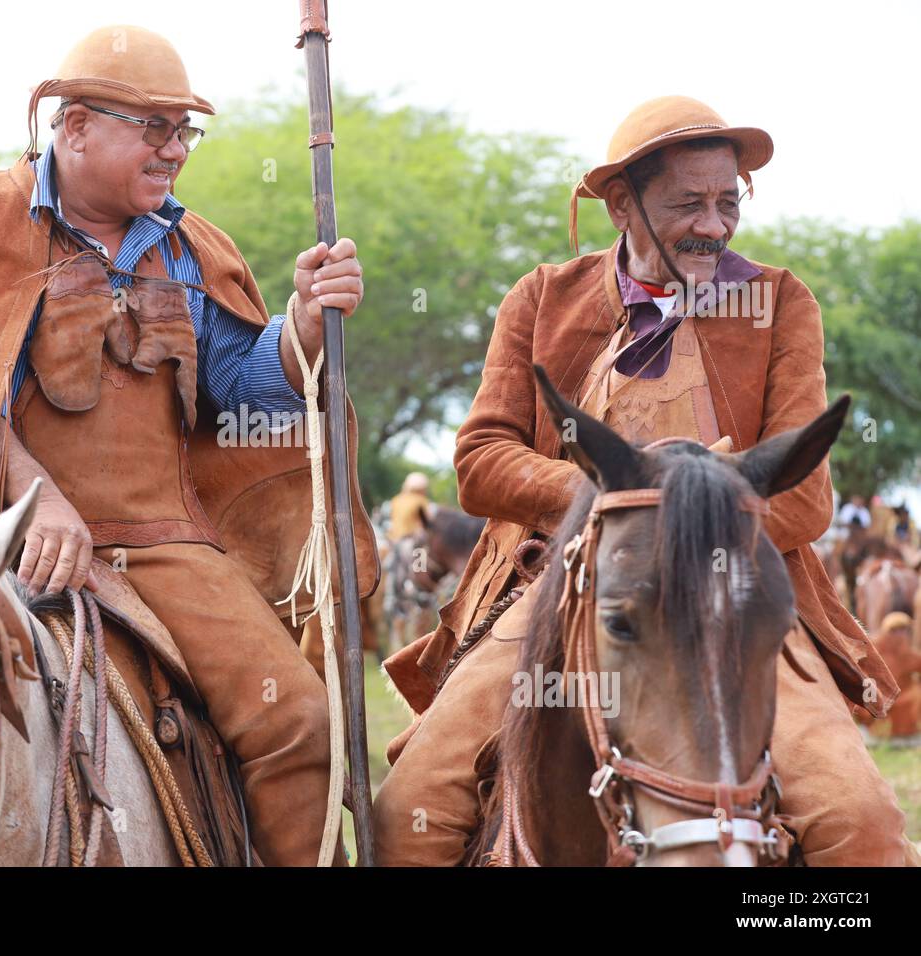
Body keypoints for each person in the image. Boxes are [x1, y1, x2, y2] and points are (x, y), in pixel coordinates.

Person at [0, 25, 375, 866]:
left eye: (183, 131)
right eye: (152, 127)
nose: (173, 150)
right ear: (74, 125)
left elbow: (242, 387)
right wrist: (33, 496)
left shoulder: (196, 249)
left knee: (299, 724)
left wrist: (303, 325)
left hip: (164, 541)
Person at [374, 96, 914, 866]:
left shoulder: (782, 303)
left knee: (863, 827)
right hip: (567, 584)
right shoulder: (541, 298)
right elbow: (481, 459)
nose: (715, 225)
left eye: (728, 202)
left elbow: (804, 496)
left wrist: (700, 516)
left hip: (733, 590)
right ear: (622, 204)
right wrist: (608, 505)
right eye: (688, 203)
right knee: (409, 812)